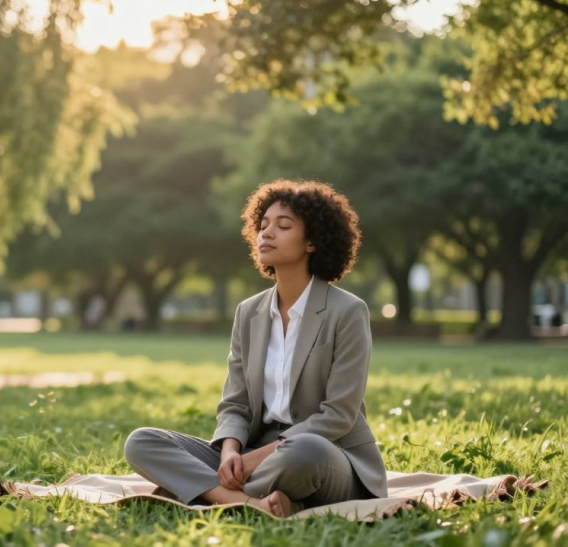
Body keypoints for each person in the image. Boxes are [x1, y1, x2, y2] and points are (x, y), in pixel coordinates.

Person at [123, 179, 387, 517]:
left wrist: (254, 460)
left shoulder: (347, 311)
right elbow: (235, 404)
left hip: (325, 455)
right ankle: (253, 503)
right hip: (253, 452)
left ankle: (204, 492)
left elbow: (338, 416)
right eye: (262, 226)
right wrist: (231, 453)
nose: (267, 233)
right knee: (142, 441)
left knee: (303, 451)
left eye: (283, 225)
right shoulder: (249, 313)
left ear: (312, 241)